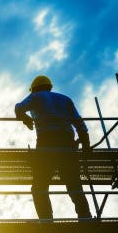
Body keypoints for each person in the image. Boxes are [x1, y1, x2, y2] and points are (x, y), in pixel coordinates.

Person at [15, 75, 92, 219]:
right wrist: (86, 144)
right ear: (49, 86)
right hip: (67, 143)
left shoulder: (36, 97)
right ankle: (85, 217)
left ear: (34, 88)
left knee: (39, 186)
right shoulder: (65, 99)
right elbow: (79, 124)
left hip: (47, 142)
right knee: (74, 184)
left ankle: (46, 220)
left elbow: (19, 108)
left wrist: (25, 118)